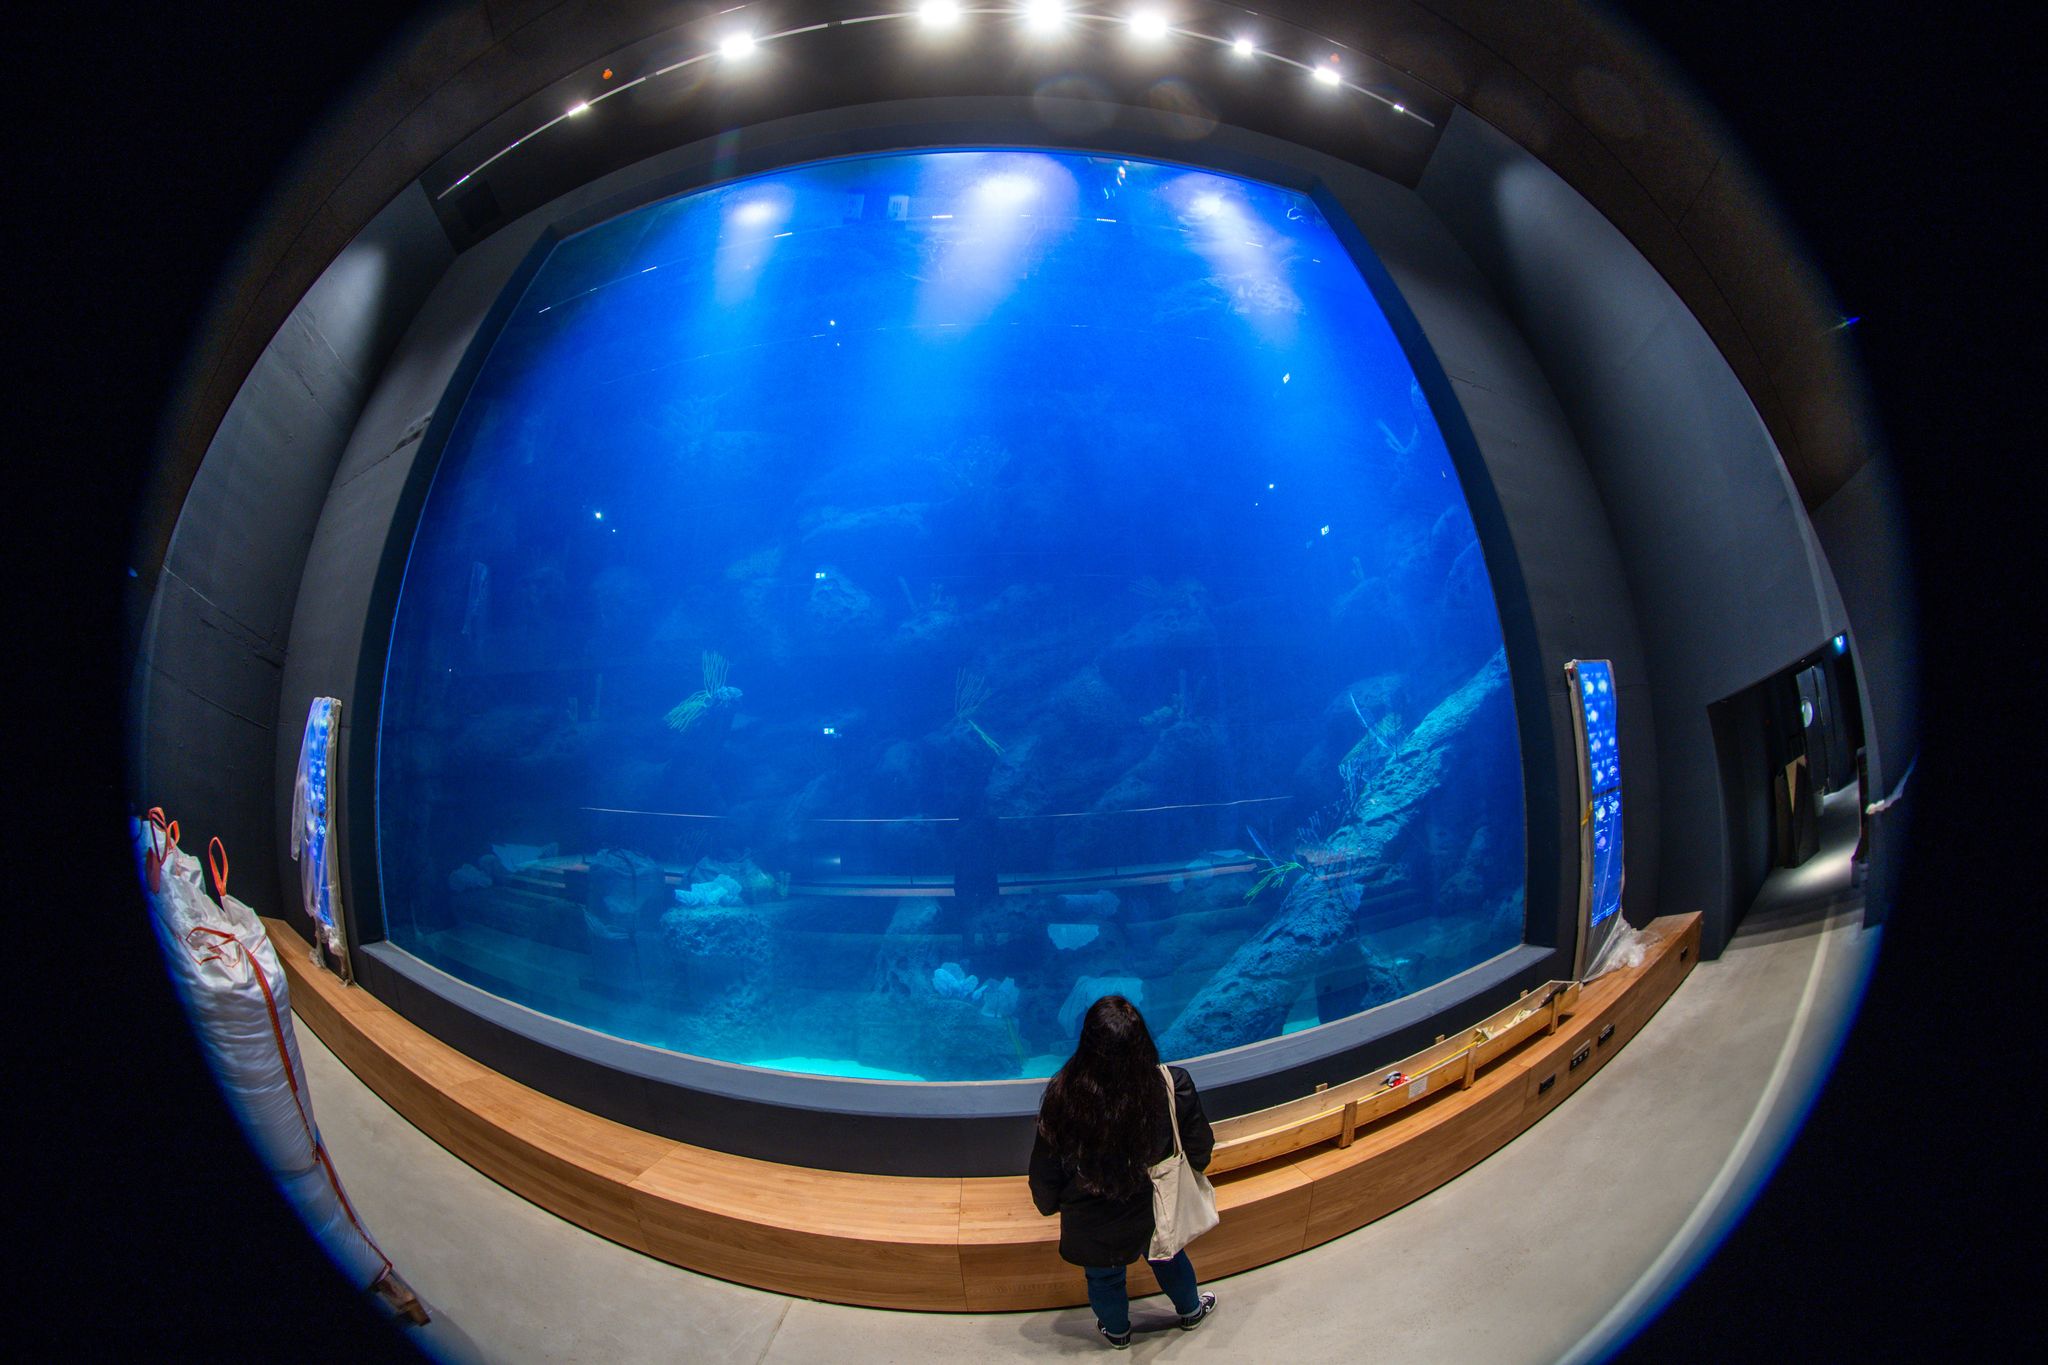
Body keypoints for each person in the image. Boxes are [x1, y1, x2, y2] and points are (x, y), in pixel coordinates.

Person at [1028, 995, 1217, 1349]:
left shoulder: (1062, 1095)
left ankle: (1117, 1333)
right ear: (1143, 1040)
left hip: (1090, 1212)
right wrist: (1196, 1170)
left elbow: (1045, 1166)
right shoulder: (1172, 1084)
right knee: (1169, 1258)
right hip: (1155, 1200)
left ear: (1087, 1042)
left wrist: (1047, 1203)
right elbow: (1198, 1144)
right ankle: (1191, 1312)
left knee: (1104, 1277)